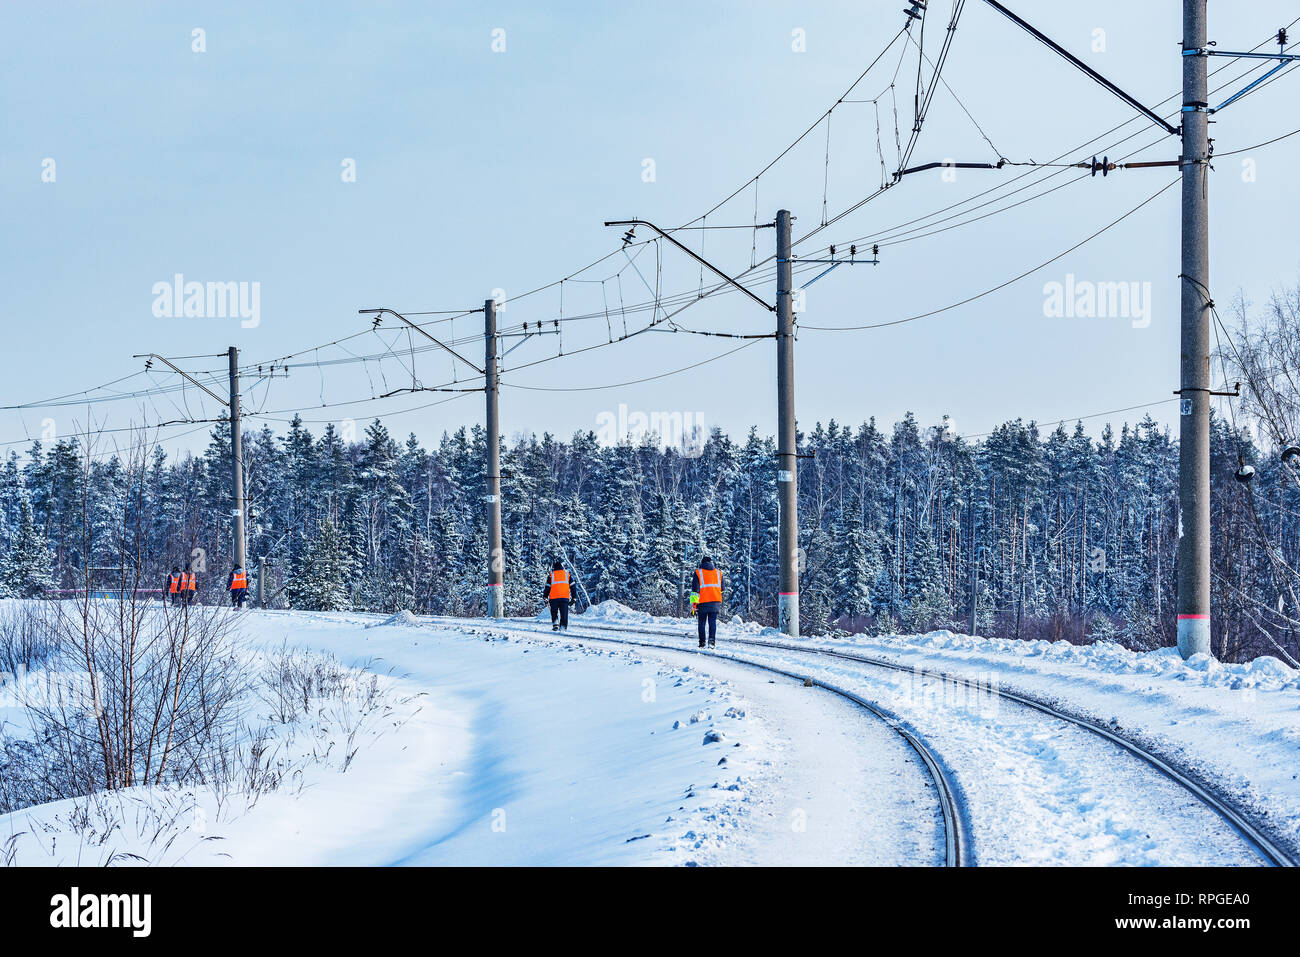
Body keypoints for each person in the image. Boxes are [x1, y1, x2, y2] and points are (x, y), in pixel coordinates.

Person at [693, 556, 722, 649]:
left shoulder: (698, 572)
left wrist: (694, 605)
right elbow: (723, 588)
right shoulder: (719, 573)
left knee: (702, 622)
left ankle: (702, 643)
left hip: (702, 602)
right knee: (712, 621)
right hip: (715, 602)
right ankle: (712, 642)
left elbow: (695, 590)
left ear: (702, 563)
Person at [544, 560, 571, 631]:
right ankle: (563, 627)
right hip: (564, 597)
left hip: (554, 597)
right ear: (562, 567)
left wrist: (545, 596)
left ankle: (555, 624)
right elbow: (573, 586)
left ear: (554, 568)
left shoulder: (551, 575)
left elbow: (547, 587)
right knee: (564, 613)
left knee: (554, 611)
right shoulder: (567, 574)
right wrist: (574, 598)